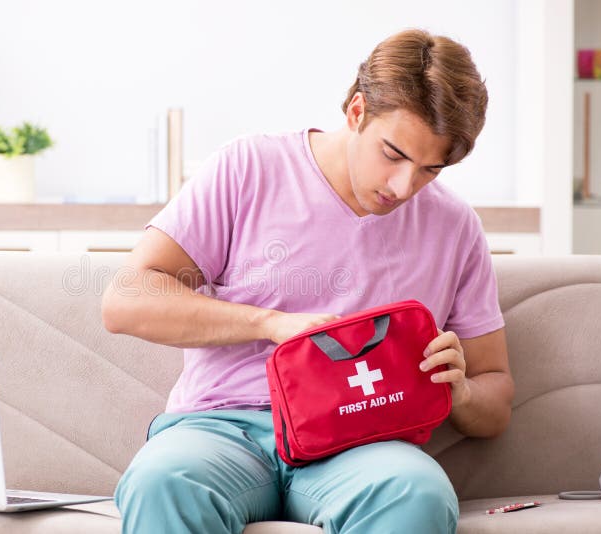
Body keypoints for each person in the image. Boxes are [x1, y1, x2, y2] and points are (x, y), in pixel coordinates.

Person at [101, 28, 515, 534]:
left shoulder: (454, 226)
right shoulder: (249, 168)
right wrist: (270, 323)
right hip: (222, 430)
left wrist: (462, 392)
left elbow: (495, 400)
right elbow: (125, 300)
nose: (404, 187)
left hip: (362, 448)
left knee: (418, 492)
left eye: (431, 169)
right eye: (393, 155)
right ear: (357, 111)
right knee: (162, 480)